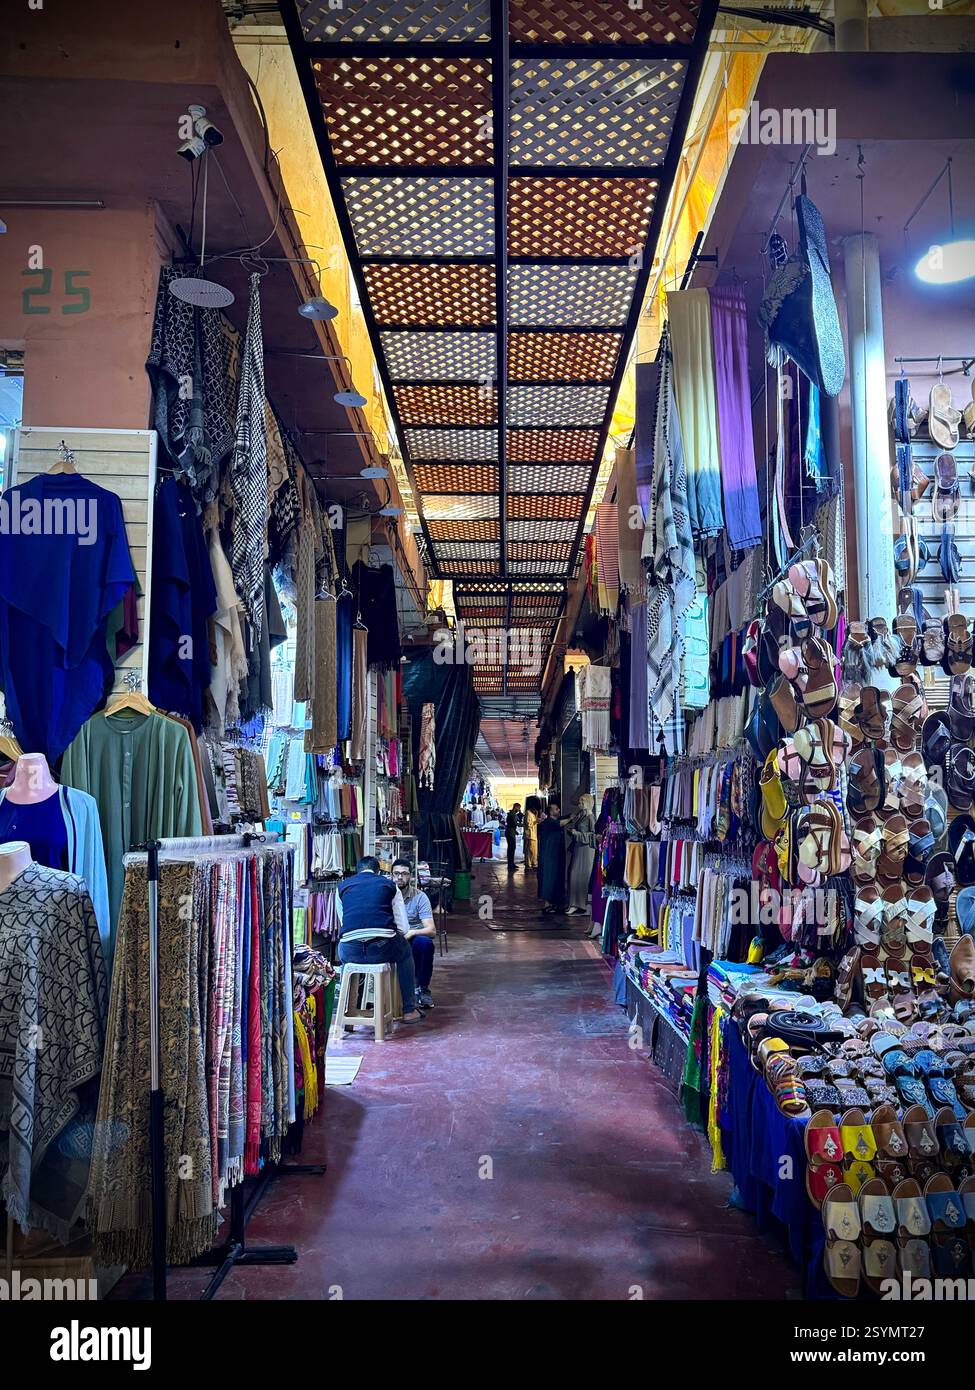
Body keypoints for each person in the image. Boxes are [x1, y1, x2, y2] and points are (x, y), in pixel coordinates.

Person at [336, 856, 423, 1024]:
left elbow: (344, 922)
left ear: (358, 871)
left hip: (350, 950)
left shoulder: (341, 887)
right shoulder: (390, 886)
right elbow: (403, 928)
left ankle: (348, 1011)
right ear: (378, 871)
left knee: (346, 953)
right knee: (405, 952)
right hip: (381, 948)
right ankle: (409, 1010)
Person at [391, 857, 437, 1009]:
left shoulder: (420, 897)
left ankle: (422, 988)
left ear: (410, 875)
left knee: (425, 944)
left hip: (412, 936)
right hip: (392, 937)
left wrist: (412, 932)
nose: (400, 877)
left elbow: (431, 930)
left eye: (404, 873)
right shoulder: (386, 895)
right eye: (396, 873)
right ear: (391, 876)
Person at [564, 793, 596, 915]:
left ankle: (581, 904)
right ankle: (575, 903)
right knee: (574, 875)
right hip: (579, 848)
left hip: (586, 849)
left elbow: (593, 835)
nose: (579, 804)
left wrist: (576, 834)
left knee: (581, 876)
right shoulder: (581, 816)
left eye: (582, 802)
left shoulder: (590, 818)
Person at [537, 799, 567, 913]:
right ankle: (547, 904)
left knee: (555, 878)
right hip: (549, 856)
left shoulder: (553, 820)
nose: (558, 810)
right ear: (550, 812)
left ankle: (554, 902)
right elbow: (561, 823)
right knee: (549, 878)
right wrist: (573, 817)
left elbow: (561, 819)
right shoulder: (549, 822)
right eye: (556, 809)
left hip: (555, 855)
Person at [523, 795, 540, 872]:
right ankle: (529, 865)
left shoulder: (532, 814)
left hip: (533, 835)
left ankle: (533, 864)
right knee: (530, 851)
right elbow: (529, 824)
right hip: (530, 835)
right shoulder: (528, 813)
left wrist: (536, 816)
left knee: (533, 851)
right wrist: (537, 821)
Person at [505, 802, 521, 870]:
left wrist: (515, 831)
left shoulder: (511, 814)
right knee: (511, 848)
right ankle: (510, 864)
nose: (519, 809)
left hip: (510, 832)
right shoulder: (513, 814)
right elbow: (514, 824)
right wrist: (523, 824)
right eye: (519, 808)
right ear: (516, 807)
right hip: (510, 833)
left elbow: (511, 824)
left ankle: (511, 863)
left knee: (511, 848)